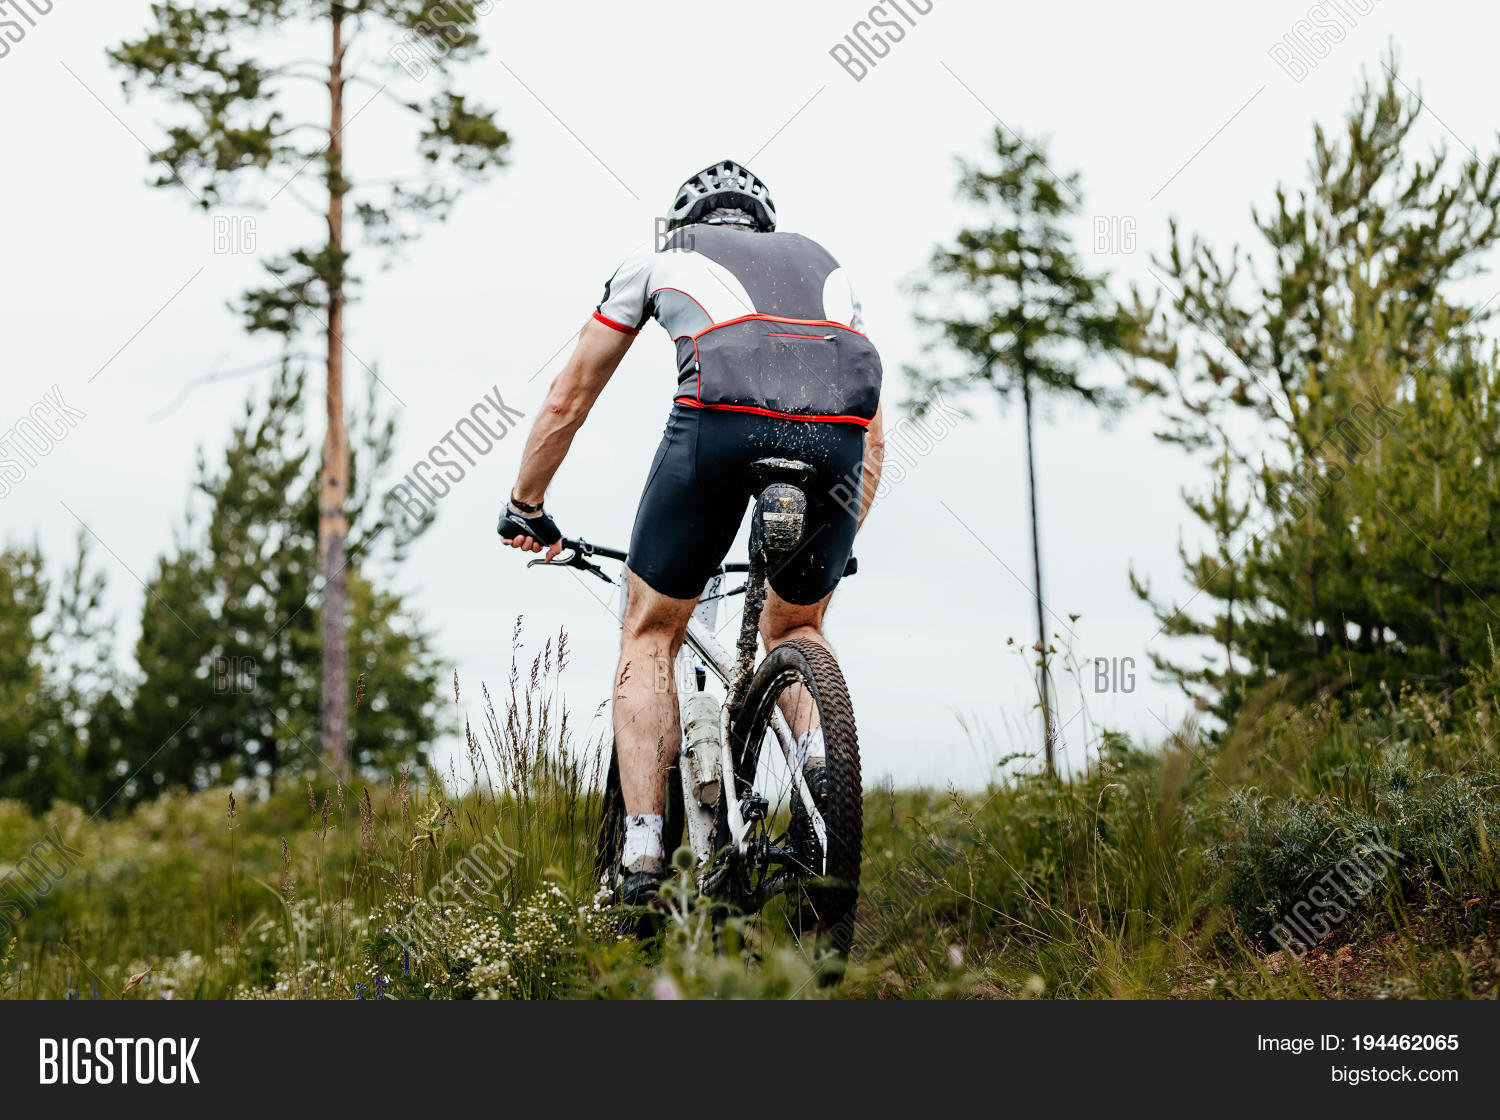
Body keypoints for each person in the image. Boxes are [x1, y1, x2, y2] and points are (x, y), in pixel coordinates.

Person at [499, 159, 885, 902]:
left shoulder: (659, 255)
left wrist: (527, 504)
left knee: (651, 633)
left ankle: (643, 856)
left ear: (689, 219)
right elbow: (873, 433)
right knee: (796, 624)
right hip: (834, 439)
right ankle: (822, 777)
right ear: (764, 225)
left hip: (717, 427)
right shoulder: (828, 267)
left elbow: (567, 398)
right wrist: (840, 542)